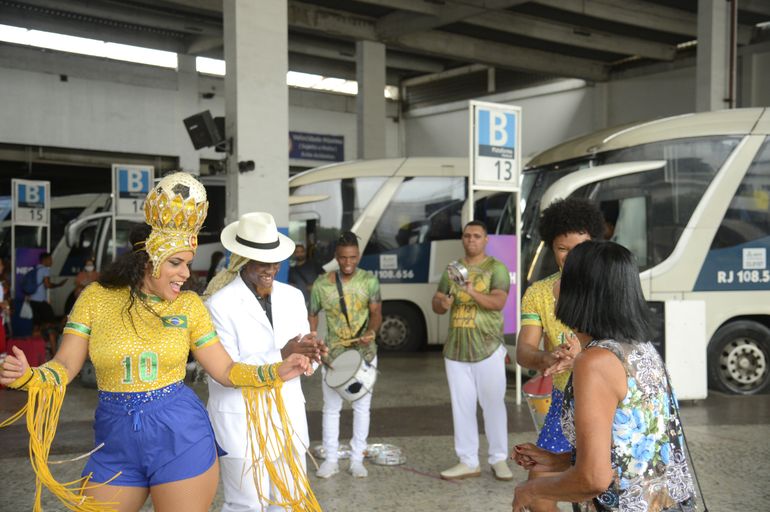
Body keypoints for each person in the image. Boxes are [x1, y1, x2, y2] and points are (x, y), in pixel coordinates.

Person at [0, 172, 316, 512]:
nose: (185, 274)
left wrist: (276, 371)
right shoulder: (95, 298)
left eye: (188, 264)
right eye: (175, 263)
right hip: (114, 439)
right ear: (146, 259)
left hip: (181, 437)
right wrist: (29, 376)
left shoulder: (190, 306)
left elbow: (225, 370)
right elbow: (64, 365)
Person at [512, 241, 698, 512]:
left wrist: (531, 490)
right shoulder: (639, 348)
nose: (556, 290)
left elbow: (593, 479)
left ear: (582, 293)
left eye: (566, 280)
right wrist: (556, 462)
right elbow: (629, 451)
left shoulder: (594, 362)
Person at [204, 212, 327, 512]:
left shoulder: (293, 296)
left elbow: (301, 352)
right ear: (243, 259)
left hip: (288, 415)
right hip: (240, 417)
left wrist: (310, 356)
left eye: (275, 261)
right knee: (246, 504)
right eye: (262, 261)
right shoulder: (218, 304)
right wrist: (284, 355)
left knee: (289, 501)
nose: (271, 268)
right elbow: (226, 367)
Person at [515, 198, 606, 512]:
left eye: (579, 247)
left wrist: (583, 354)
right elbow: (524, 350)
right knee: (537, 489)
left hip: (606, 401)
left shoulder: (609, 286)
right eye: (562, 248)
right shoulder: (539, 293)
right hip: (563, 401)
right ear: (551, 248)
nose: (570, 257)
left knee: (599, 485)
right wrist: (545, 358)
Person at [432, 220, 512, 482]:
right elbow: (437, 303)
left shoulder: (496, 268)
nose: (471, 240)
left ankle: (498, 459)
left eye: (477, 236)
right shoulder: (452, 269)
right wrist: (442, 302)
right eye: (467, 236)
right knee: (461, 407)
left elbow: (498, 302)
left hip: (488, 346)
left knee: (493, 405)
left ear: (486, 240)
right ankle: (468, 461)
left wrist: (469, 290)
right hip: (456, 349)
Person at [309, 231, 382, 479]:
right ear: (336, 257)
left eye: (352, 257)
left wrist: (371, 331)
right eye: (342, 258)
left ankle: (356, 459)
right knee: (331, 408)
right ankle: (330, 460)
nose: (347, 262)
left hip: (364, 353)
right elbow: (312, 315)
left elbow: (376, 313)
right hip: (333, 355)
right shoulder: (322, 284)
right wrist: (314, 340)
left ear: (358, 255)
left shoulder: (370, 281)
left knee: (362, 407)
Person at [26, 252, 66, 353]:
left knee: (36, 326)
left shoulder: (35, 269)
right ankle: (54, 353)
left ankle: (33, 350)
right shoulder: (44, 270)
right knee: (51, 326)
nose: (52, 261)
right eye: (50, 259)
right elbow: (47, 285)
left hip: (32, 301)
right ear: (45, 260)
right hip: (40, 302)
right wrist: (58, 285)